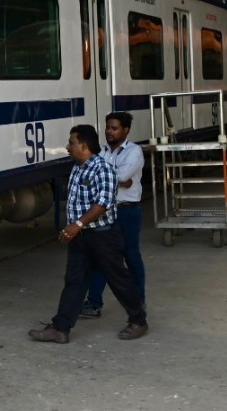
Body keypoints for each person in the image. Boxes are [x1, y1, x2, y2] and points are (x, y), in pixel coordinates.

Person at [29, 125, 148, 344]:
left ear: (83, 144)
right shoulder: (78, 168)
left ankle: (138, 320)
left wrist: (76, 225)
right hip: (81, 238)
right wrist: (73, 229)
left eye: (71, 142)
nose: (67, 146)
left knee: (118, 279)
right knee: (74, 281)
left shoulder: (102, 168)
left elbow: (102, 203)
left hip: (103, 237)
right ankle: (61, 328)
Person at [81, 112, 146, 319]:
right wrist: (116, 179)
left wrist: (107, 178)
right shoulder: (101, 152)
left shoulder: (134, 152)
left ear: (126, 130)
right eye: (108, 127)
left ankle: (139, 301)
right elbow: (87, 175)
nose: (109, 131)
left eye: (114, 128)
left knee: (130, 256)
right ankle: (94, 303)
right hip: (106, 211)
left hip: (127, 211)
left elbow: (122, 176)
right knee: (101, 258)